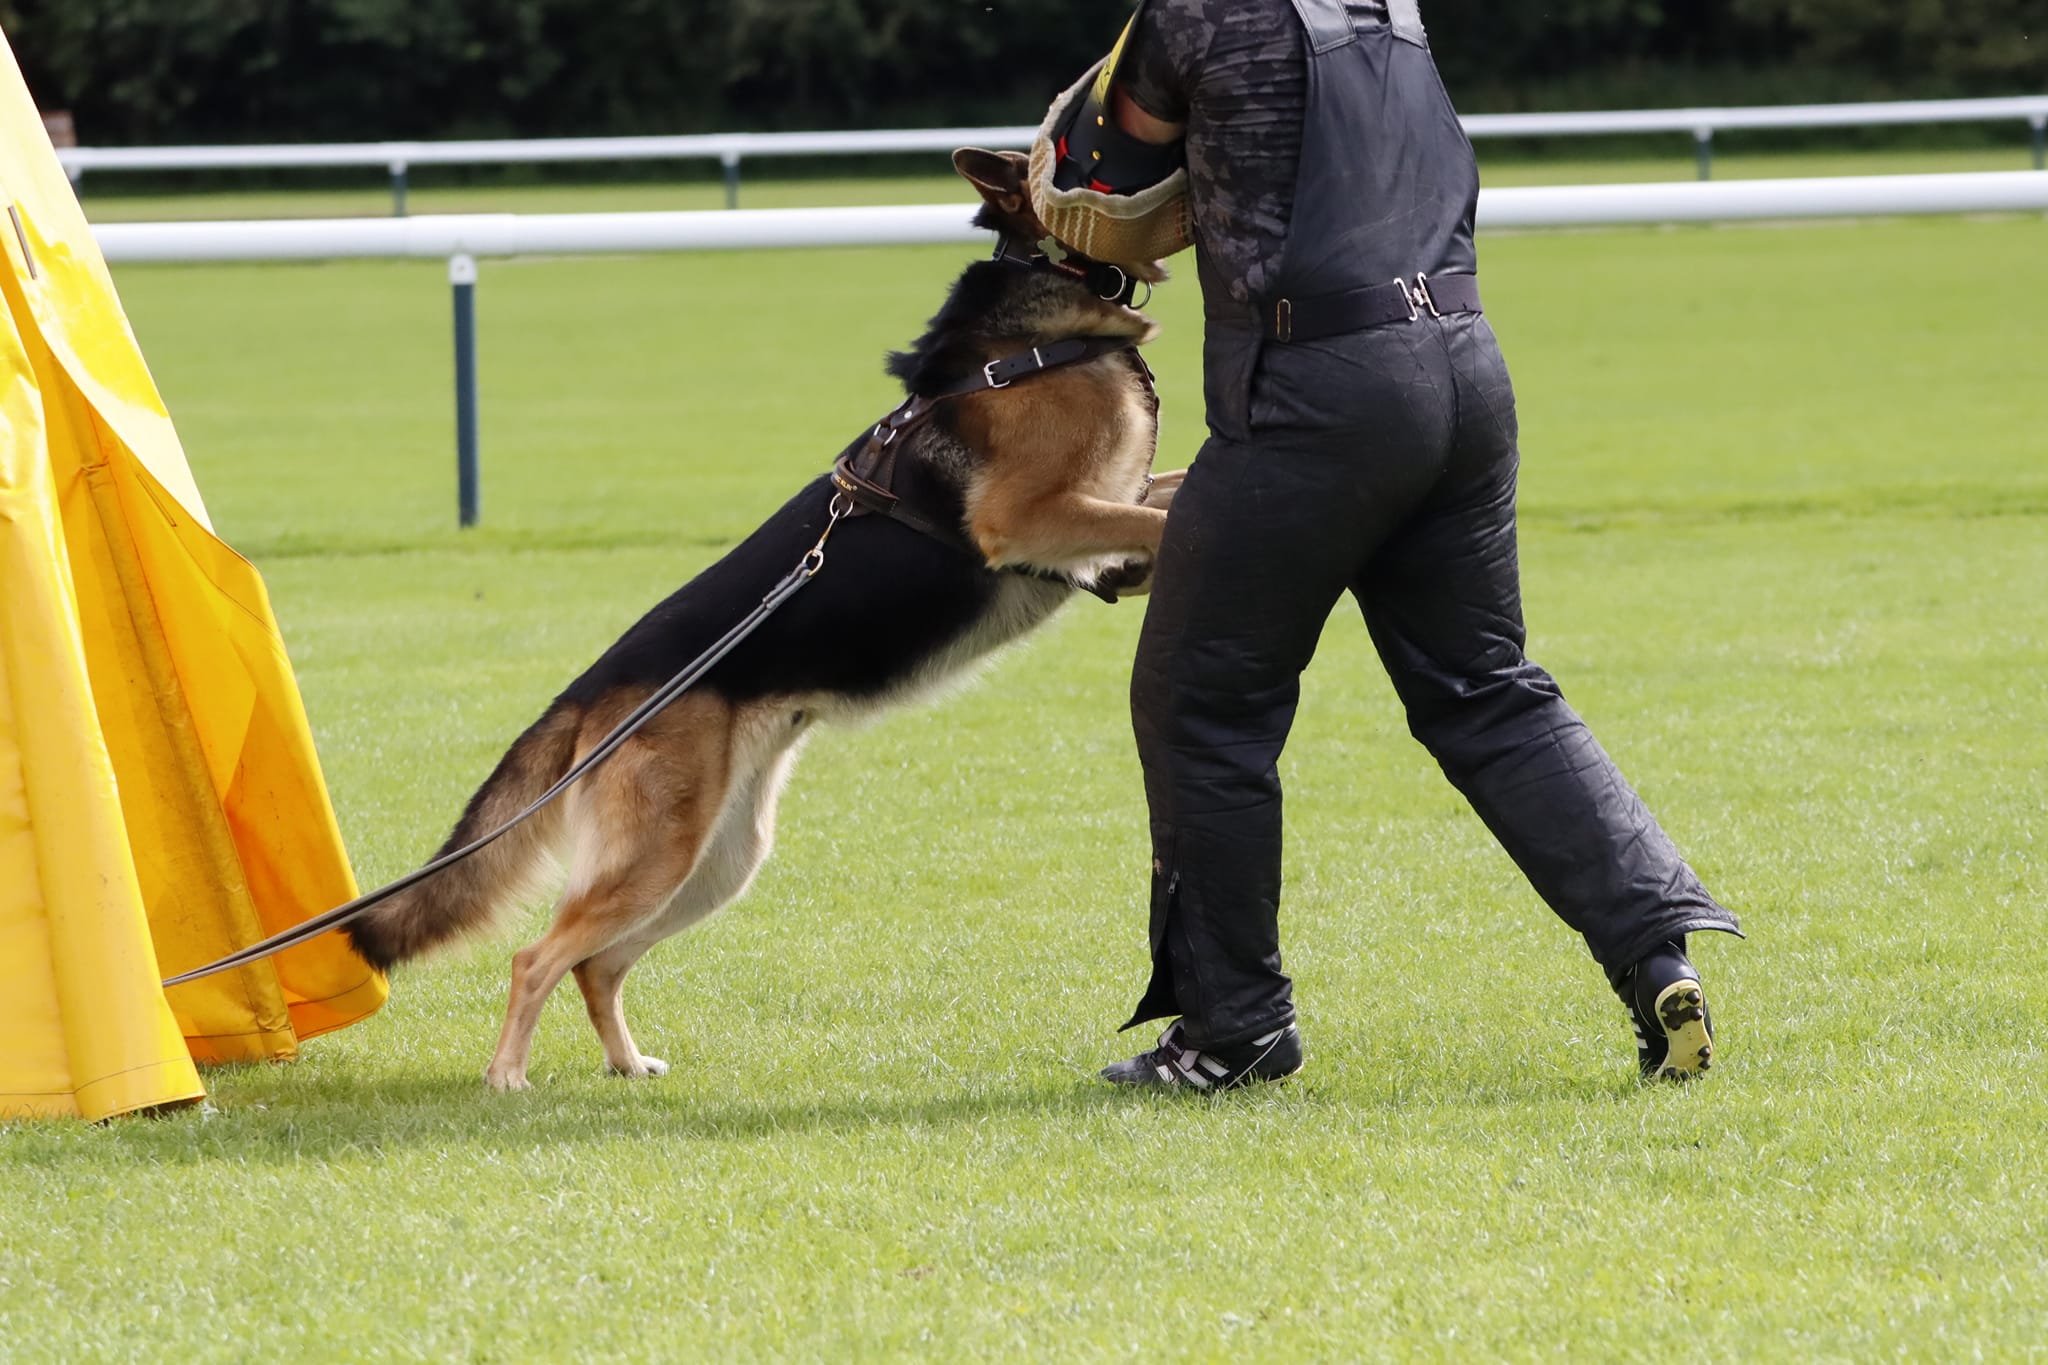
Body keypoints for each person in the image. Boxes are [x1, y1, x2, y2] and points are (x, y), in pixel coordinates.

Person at [1029, 0, 1743, 1089]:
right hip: (1461, 369)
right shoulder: (1388, 7)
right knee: (1486, 688)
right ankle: (1654, 955)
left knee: (1200, 701)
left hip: (1317, 385)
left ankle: (1233, 1031)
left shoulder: (1188, 15)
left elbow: (1096, 182)